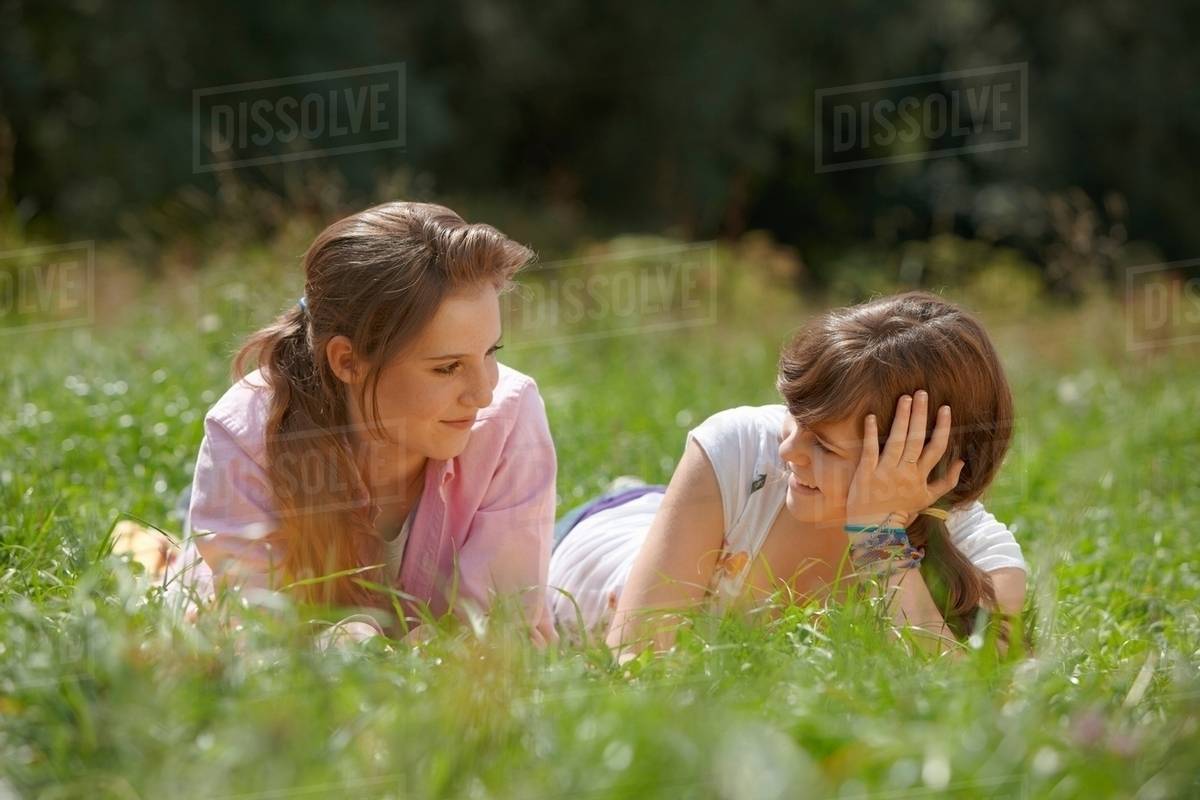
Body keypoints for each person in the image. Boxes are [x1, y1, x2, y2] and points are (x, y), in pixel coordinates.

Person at [548, 292, 1027, 655]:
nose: (789, 449)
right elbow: (636, 657)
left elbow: (961, 702)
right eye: (795, 419)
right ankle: (635, 495)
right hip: (599, 537)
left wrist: (878, 535)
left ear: (923, 459)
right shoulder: (738, 445)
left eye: (825, 445)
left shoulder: (983, 556)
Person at [165, 201, 558, 644]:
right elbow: (255, 641)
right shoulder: (244, 435)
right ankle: (187, 515)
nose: (482, 393)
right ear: (348, 361)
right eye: (447, 368)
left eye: (491, 353)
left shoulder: (509, 414)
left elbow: (501, 631)